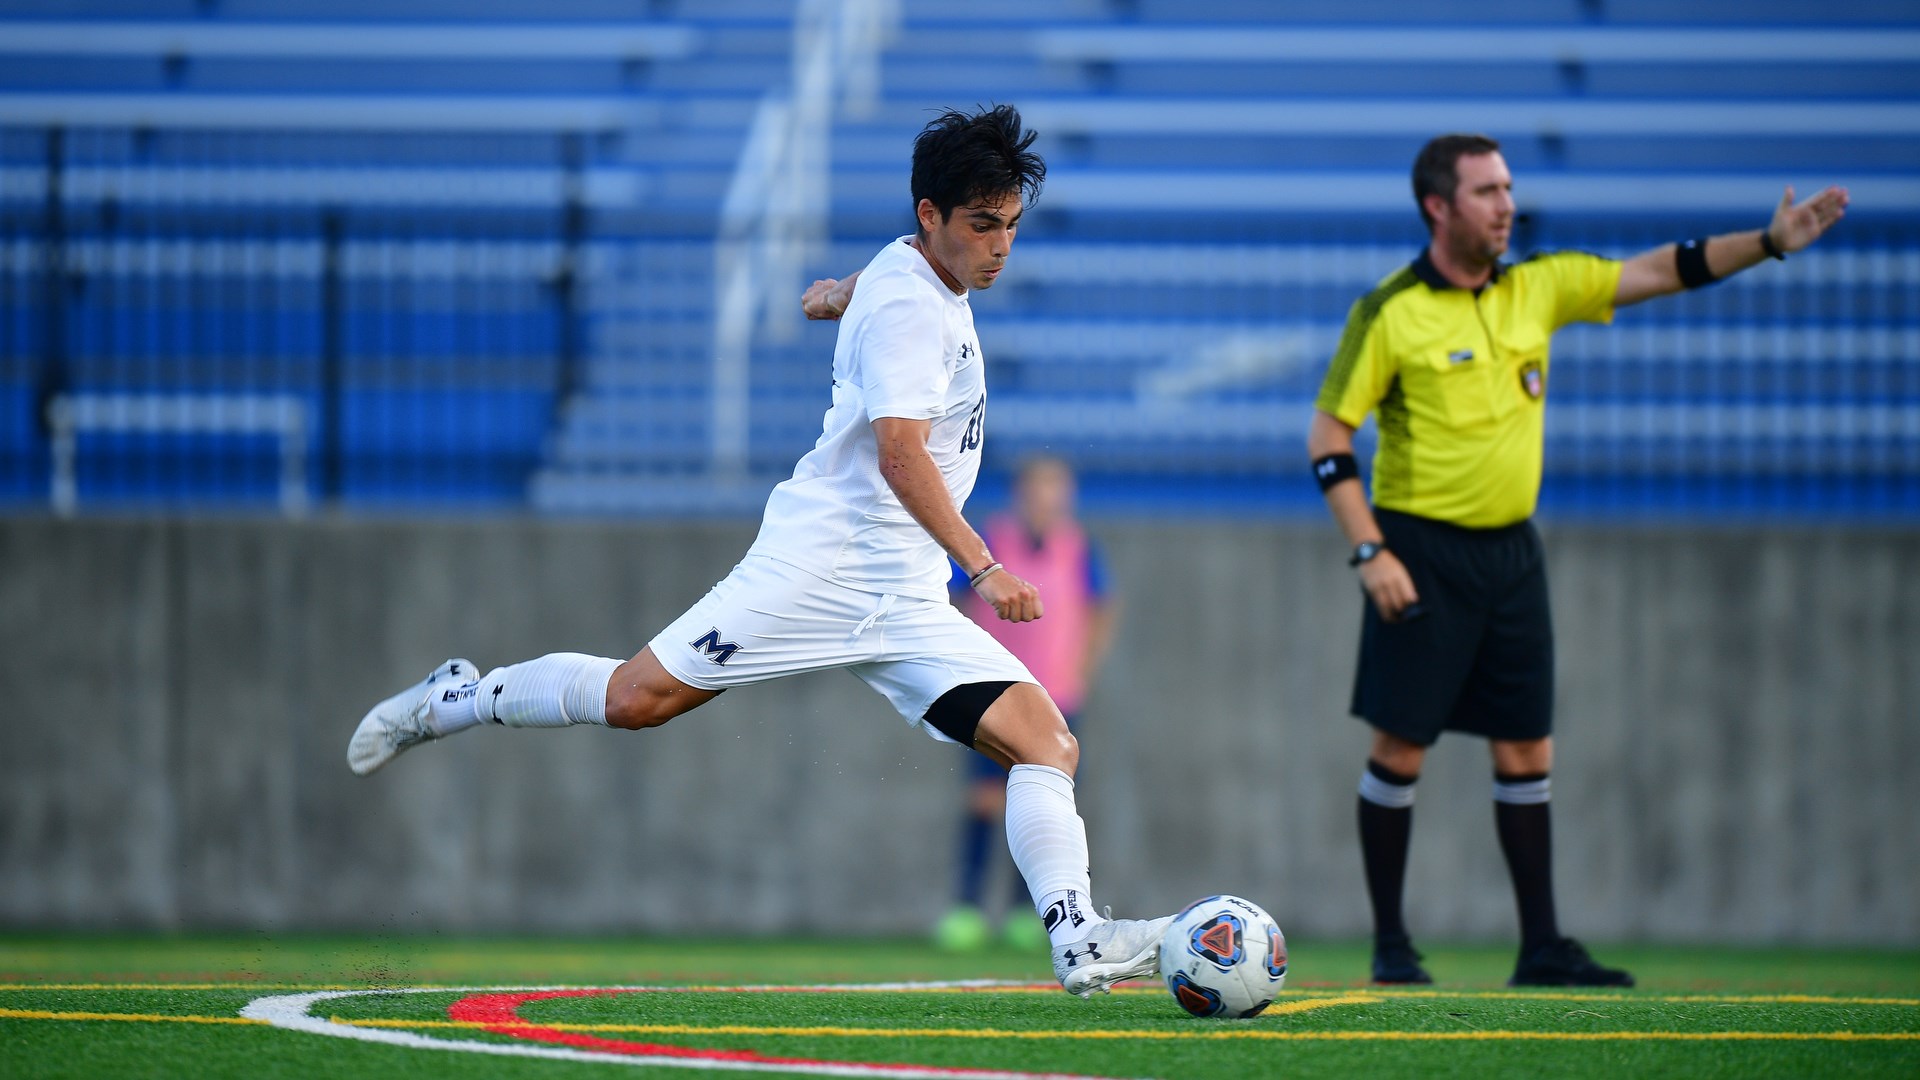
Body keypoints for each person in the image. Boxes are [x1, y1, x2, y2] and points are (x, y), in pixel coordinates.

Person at [348, 105, 1170, 999]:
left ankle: (1077, 935)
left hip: (900, 595)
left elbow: (893, 281)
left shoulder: (910, 272)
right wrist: (985, 564)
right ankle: (458, 697)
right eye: (982, 224)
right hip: (818, 569)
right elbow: (900, 455)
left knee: (1046, 742)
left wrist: (837, 293)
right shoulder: (907, 307)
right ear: (931, 215)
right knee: (636, 700)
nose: (1001, 245)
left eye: (1011, 223)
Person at [1308, 133, 1848, 987]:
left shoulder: (1539, 285)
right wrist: (1370, 549)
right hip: (1421, 551)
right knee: (1401, 749)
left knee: (1527, 751)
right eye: (1486, 191)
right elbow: (1329, 439)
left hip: (1514, 556)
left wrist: (1771, 242)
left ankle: (1542, 947)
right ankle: (1391, 945)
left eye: (1508, 187)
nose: (1505, 204)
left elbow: (1665, 269)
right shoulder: (1391, 311)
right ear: (1438, 208)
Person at [937, 455, 1117, 952]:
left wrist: (1082, 667)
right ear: (1021, 493)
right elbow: (955, 598)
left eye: (1056, 488)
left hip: (1056, 695)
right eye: (1038, 487)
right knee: (984, 802)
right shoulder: (991, 542)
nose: (1047, 498)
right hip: (995, 691)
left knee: (1042, 801)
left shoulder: (1079, 547)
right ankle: (967, 908)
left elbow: (1101, 607)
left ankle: (1024, 912)